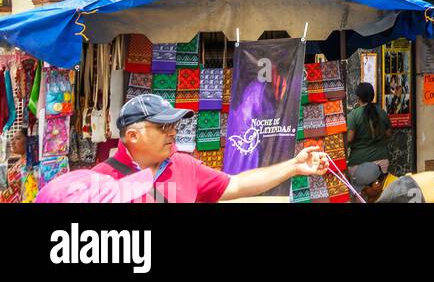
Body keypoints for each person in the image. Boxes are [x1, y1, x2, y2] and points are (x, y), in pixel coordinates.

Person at [91, 93, 328, 203]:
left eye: (174, 125)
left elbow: (236, 184)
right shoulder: (97, 182)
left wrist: (293, 167)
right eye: (163, 127)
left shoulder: (184, 165)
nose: (173, 132)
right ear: (133, 135)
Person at [346, 81, 393, 186]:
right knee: (380, 193)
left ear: (358, 97)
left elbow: (350, 138)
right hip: (382, 161)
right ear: (372, 96)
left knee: (360, 195)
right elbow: (389, 133)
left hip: (359, 163)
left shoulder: (354, 115)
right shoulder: (382, 112)